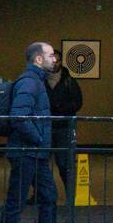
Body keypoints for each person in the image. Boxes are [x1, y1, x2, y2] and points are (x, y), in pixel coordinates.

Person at [0, 42, 61, 223]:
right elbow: (18, 115)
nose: (55, 59)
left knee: (49, 196)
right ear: (38, 60)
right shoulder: (29, 82)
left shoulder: (36, 82)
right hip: (26, 151)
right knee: (15, 202)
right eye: (51, 55)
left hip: (36, 152)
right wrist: (39, 138)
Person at [40, 49, 83, 206]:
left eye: (57, 60)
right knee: (41, 162)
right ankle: (40, 193)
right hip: (44, 127)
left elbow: (77, 103)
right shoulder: (40, 80)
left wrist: (60, 107)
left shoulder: (69, 81)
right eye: (52, 60)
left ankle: (71, 195)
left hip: (63, 127)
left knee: (65, 164)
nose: (54, 63)